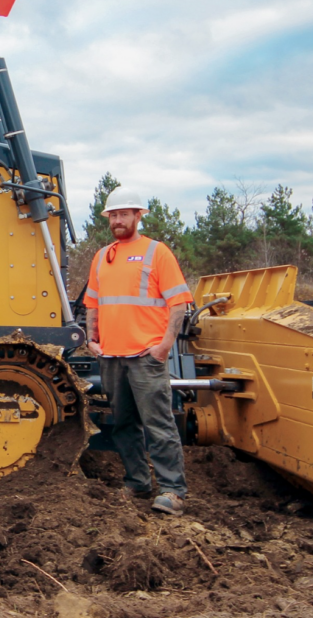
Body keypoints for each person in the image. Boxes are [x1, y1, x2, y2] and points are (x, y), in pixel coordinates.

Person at [83, 186, 193, 515]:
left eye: (123, 214)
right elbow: (92, 302)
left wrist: (164, 346)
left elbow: (178, 304)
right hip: (112, 357)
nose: (117, 220)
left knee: (158, 424)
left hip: (146, 357)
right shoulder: (103, 256)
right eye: (113, 215)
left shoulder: (157, 253)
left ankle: (173, 490)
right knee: (124, 424)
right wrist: (92, 338)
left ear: (138, 215)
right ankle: (137, 482)